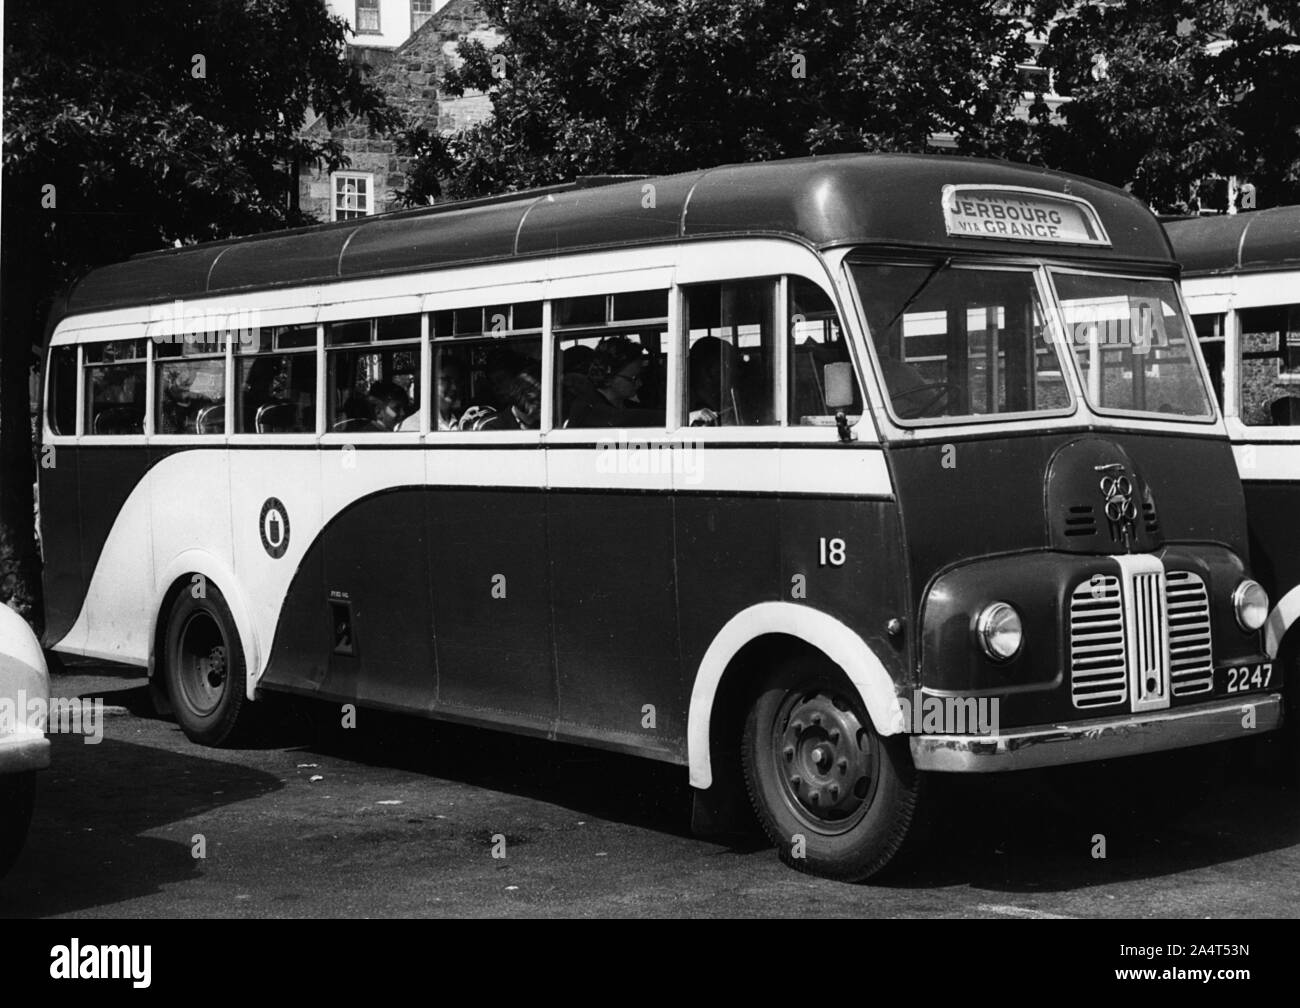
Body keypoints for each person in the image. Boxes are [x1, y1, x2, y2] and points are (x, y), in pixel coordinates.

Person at [564, 336, 662, 429]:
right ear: (609, 377)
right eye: (633, 378)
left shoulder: (627, 404)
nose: (640, 383)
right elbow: (621, 419)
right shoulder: (586, 409)